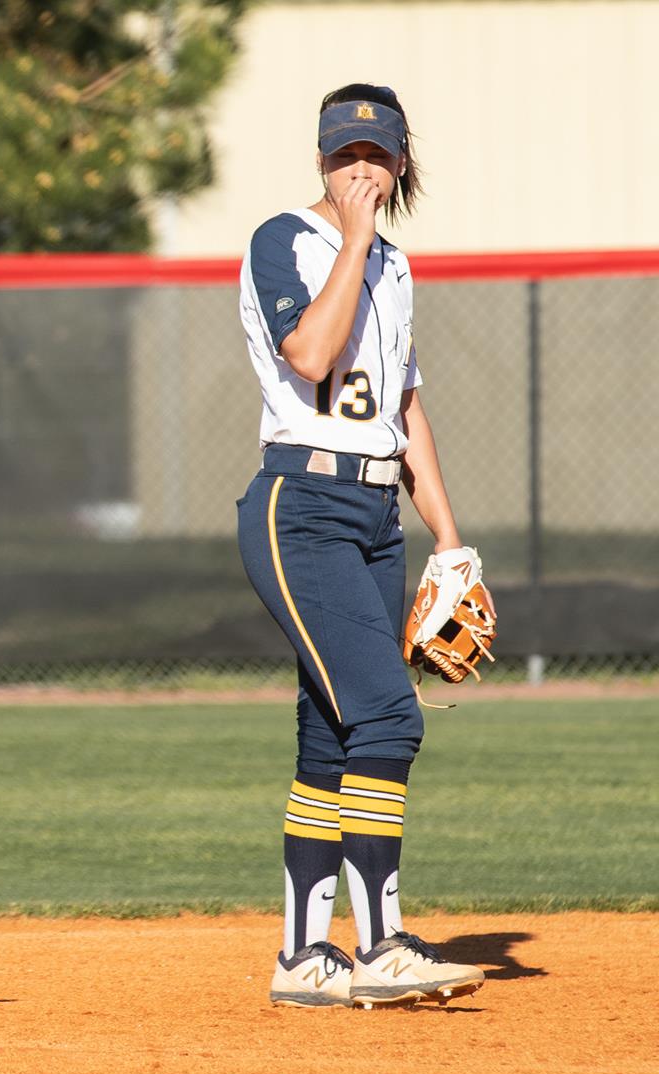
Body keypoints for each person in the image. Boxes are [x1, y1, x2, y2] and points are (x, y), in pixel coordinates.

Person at [236, 84, 487, 1010]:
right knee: (390, 717)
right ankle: (380, 946)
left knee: (332, 732)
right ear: (320, 162)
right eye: (346, 155)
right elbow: (311, 354)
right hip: (298, 505)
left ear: (402, 164)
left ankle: (306, 958)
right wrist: (351, 242)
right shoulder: (286, 240)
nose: (361, 171)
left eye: (376, 156)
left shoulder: (397, 264)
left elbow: (401, 401)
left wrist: (448, 540)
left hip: (376, 517)